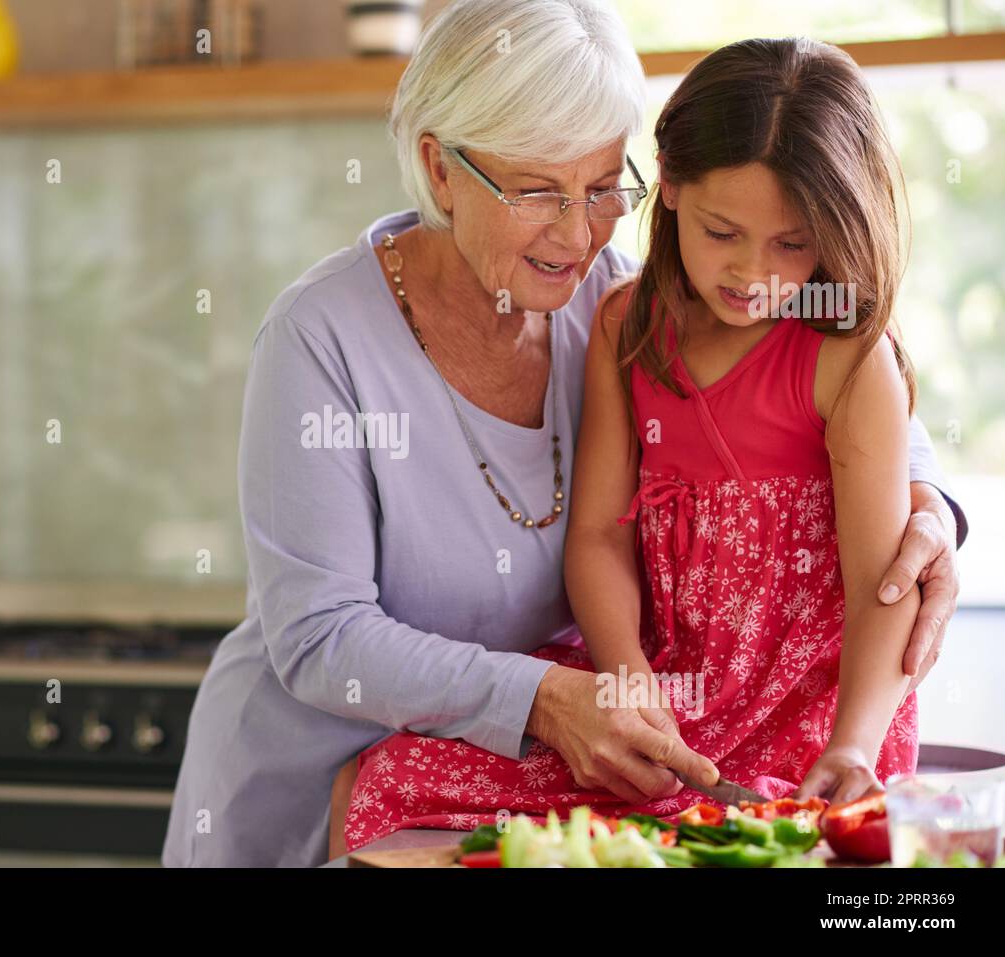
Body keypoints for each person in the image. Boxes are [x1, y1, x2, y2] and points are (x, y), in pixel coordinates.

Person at [161, 0, 966, 869]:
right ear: (439, 170)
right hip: (312, 782)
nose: (580, 234)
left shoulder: (613, 295)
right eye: (539, 192)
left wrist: (928, 506)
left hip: (559, 757)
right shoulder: (320, 339)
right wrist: (548, 697)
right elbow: (320, 637)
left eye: (604, 187)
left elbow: (835, 379)